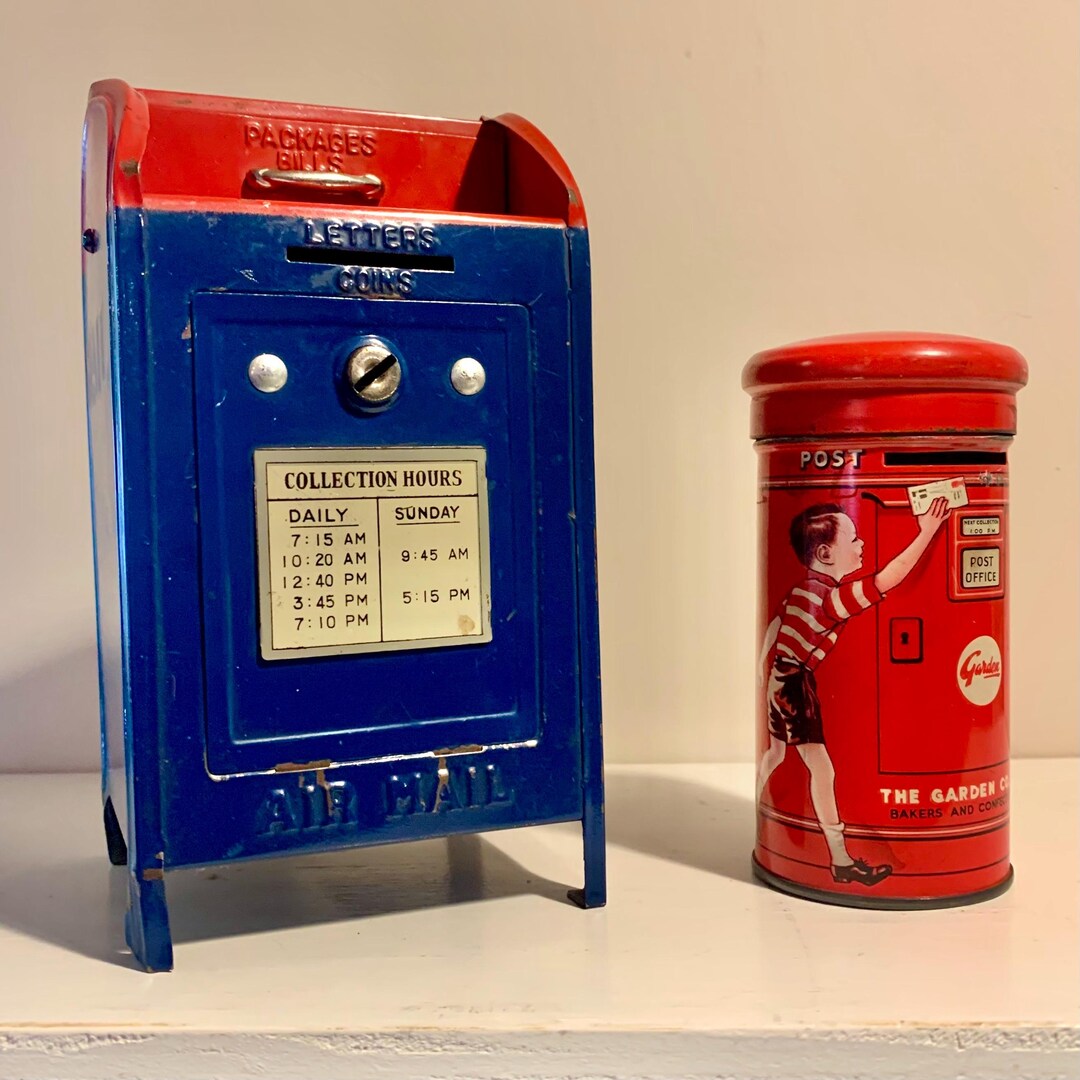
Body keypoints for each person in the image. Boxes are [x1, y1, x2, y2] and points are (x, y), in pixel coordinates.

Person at [756, 496, 950, 885]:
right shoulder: (831, 599)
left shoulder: (802, 589)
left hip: (782, 679)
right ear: (826, 553)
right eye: (855, 539)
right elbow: (890, 576)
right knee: (822, 770)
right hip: (795, 684)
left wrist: (765, 679)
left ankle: (765, 822)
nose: (862, 545)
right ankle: (840, 859)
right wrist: (926, 531)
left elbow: (774, 628)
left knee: (777, 752)